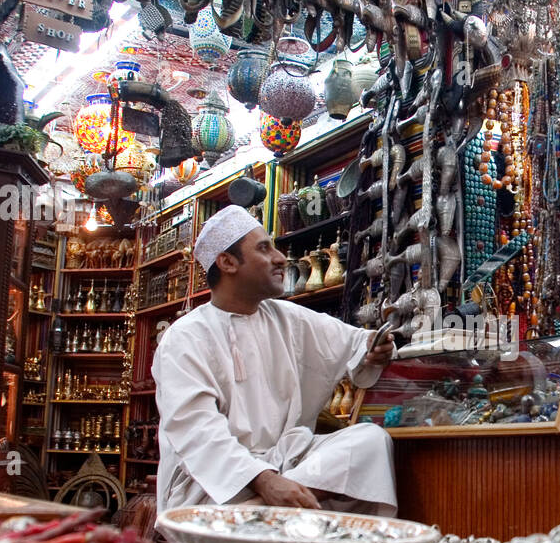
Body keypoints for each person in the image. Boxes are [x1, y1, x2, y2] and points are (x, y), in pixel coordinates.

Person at [153, 205, 398, 514]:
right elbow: (195, 430)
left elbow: (356, 343)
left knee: (370, 441)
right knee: (226, 487)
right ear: (227, 262)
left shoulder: (287, 318)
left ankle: (255, 515)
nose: (281, 258)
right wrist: (264, 480)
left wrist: (375, 348)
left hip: (287, 463)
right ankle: (254, 510)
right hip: (215, 483)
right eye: (264, 248)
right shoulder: (186, 337)